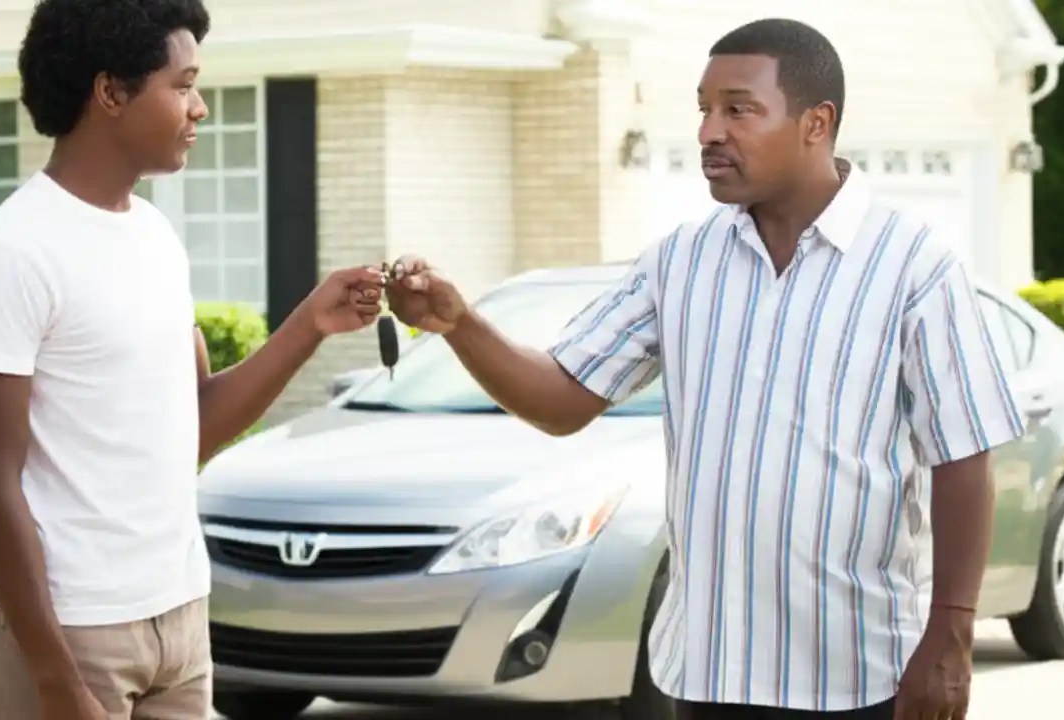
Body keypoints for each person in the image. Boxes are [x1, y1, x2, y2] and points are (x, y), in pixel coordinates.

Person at [385, 17, 1023, 720]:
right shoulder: (679, 261)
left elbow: (963, 458)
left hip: (859, 673)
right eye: (703, 109)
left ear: (817, 122)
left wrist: (951, 633)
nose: (708, 131)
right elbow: (562, 399)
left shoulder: (913, 265)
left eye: (738, 109)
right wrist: (459, 325)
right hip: (708, 669)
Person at [0, 1, 385, 718]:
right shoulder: (12, 253)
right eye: (182, 85)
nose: (201, 108)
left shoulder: (154, 236)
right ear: (110, 93)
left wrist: (309, 323)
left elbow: (194, 428)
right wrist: (57, 682)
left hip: (178, 622)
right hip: (65, 634)